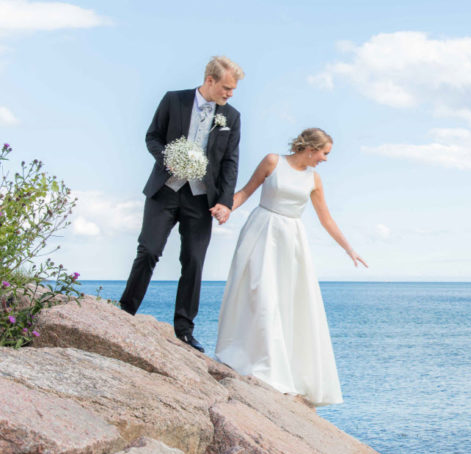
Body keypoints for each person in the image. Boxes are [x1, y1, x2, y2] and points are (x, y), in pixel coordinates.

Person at [213, 128, 366, 406]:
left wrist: (349, 249)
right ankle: (258, 364)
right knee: (260, 296)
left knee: (283, 303)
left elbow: (326, 219)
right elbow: (246, 191)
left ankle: (280, 370)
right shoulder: (273, 161)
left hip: (291, 242)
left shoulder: (314, 179)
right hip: (262, 230)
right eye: (325, 153)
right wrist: (225, 208)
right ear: (310, 148)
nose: (326, 159)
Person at [119, 56, 243, 352]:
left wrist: (225, 202)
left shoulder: (232, 117)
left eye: (233, 89)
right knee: (148, 250)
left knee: (194, 262)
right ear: (209, 80)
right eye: (226, 87)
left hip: (202, 200)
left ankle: (184, 330)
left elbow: (230, 163)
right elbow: (152, 137)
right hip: (165, 190)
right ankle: (124, 312)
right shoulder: (173, 100)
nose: (230, 94)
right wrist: (169, 159)